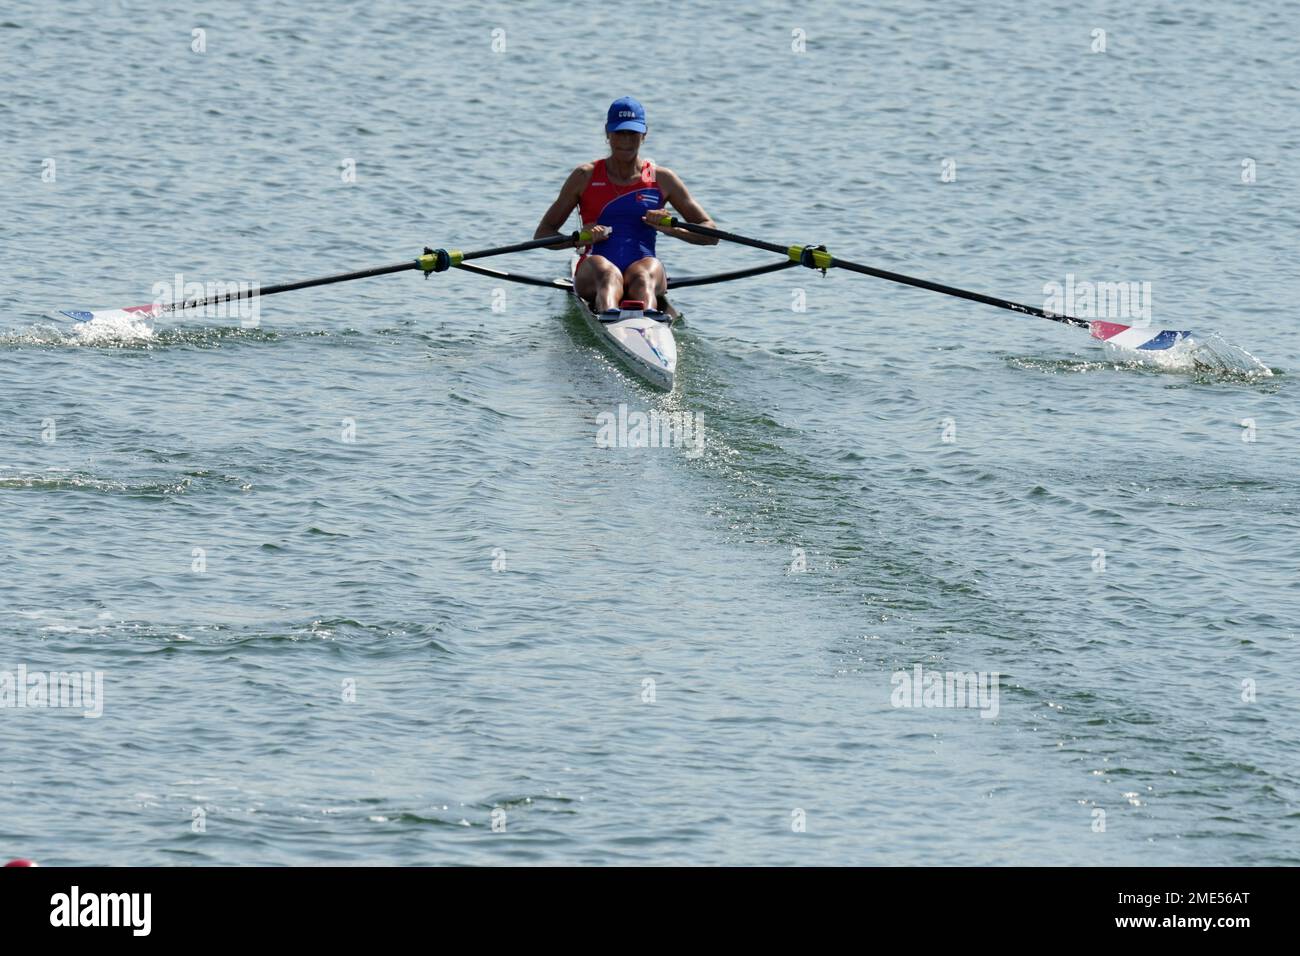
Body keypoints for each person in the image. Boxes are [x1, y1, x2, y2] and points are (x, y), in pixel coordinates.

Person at [534, 96, 717, 315]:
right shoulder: (585, 176)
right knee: (608, 274)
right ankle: (611, 317)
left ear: (644, 135)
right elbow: (543, 235)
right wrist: (578, 238)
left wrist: (674, 230)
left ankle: (648, 324)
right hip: (594, 268)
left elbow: (711, 234)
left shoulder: (663, 179)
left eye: (633, 134)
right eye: (620, 133)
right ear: (607, 134)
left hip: (644, 268)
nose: (626, 141)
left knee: (643, 276)